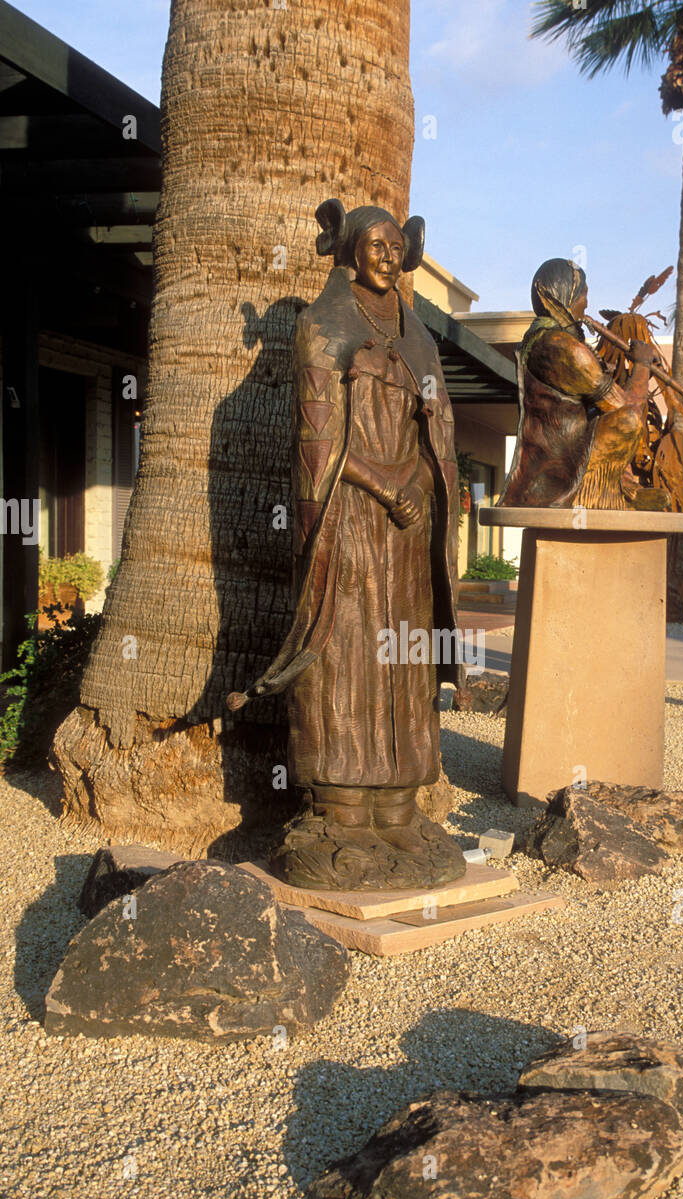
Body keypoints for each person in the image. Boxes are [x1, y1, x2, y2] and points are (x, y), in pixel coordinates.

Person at [228, 199, 464, 890]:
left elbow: (438, 431)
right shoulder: (321, 328)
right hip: (350, 520)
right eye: (376, 245)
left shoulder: (418, 337)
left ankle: (398, 810)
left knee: (406, 661)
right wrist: (384, 483)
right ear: (351, 251)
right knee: (346, 650)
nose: (389, 257)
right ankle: (339, 814)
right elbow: (318, 442)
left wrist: (419, 481)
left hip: (409, 527)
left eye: (398, 246)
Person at [499, 258, 657, 510]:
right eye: (583, 294)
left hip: (555, 459)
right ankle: (606, 494)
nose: (587, 304)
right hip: (562, 470)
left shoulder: (540, 340)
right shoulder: (562, 347)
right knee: (628, 422)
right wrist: (642, 366)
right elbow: (627, 408)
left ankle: (628, 489)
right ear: (565, 296)